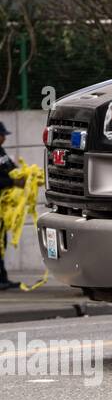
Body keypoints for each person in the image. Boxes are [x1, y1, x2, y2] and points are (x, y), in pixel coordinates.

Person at [0, 121, 23, 291]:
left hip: (3, 206)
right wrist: (12, 181)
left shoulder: (1, 152)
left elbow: (10, 168)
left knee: (2, 241)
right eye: (2, 135)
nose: (4, 139)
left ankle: (3, 278)